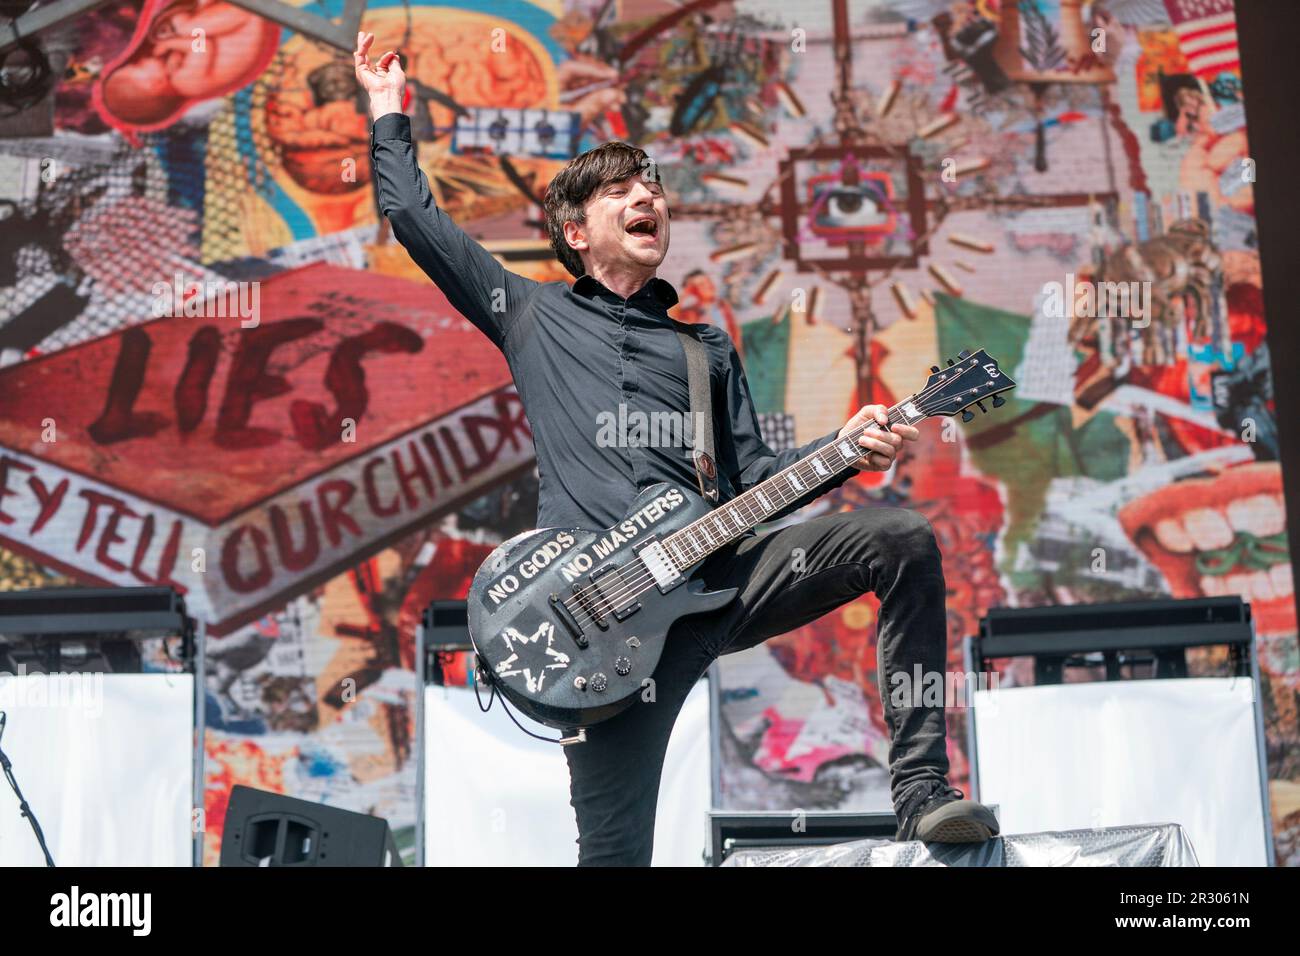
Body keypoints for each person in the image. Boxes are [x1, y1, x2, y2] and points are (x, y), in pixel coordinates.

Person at [354, 32, 999, 865]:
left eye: (650, 185)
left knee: (901, 539)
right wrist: (386, 108)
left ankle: (920, 794)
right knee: (615, 856)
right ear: (576, 232)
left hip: (713, 585)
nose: (645, 195)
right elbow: (413, 215)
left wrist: (842, 448)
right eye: (621, 188)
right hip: (599, 626)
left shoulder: (706, 350)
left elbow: (754, 483)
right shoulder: (530, 314)